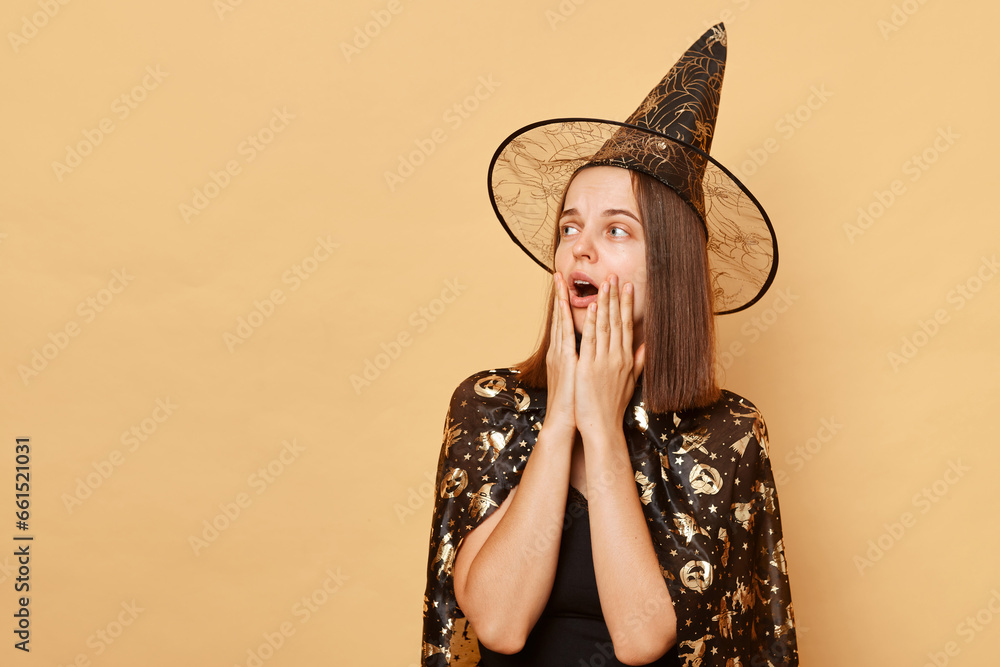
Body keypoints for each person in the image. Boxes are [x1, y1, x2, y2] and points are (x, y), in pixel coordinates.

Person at [422, 23, 798, 667]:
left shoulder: (729, 434)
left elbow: (642, 637)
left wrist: (602, 429)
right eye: (571, 227)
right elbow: (499, 624)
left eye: (616, 229)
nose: (581, 248)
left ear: (670, 266)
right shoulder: (488, 406)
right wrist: (564, 412)